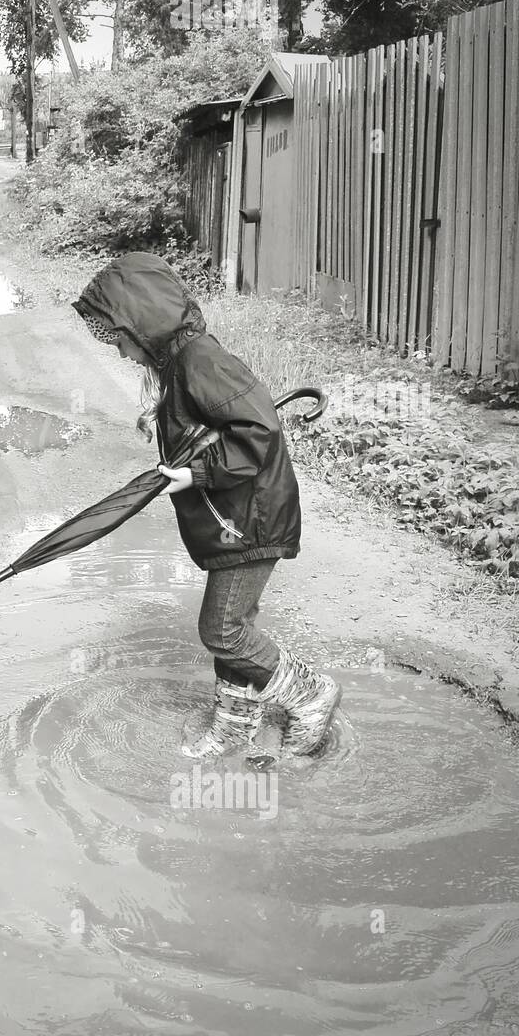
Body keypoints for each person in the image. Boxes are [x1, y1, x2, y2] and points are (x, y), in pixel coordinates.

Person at [73, 252, 340, 758]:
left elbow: (258, 430)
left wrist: (195, 472)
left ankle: (309, 693)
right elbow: (216, 417)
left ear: (143, 323)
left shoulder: (201, 360)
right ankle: (235, 727)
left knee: (222, 629)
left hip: (250, 519)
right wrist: (165, 414)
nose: (122, 353)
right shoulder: (182, 364)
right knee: (232, 624)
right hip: (232, 520)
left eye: (120, 339)